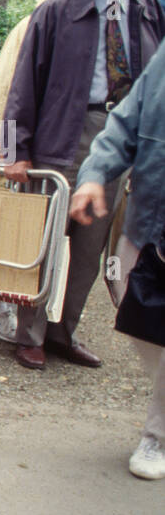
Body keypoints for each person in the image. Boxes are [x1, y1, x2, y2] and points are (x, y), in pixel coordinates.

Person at [4, 0, 163, 370]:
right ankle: (28, 334)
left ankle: (62, 333)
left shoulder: (151, 11)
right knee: (47, 240)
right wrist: (17, 150)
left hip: (122, 142)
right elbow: (24, 84)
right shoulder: (57, 10)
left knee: (92, 248)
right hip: (62, 135)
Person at [0, 0, 95, 342]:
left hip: (80, 147)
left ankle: (59, 329)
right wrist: (2, 145)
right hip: (36, 148)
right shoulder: (34, 21)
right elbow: (7, 88)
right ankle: (5, 318)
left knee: (73, 244)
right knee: (21, 231)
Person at [70, 45, 165, 479]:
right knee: (140, 320)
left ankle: (157, 434)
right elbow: (126, 121)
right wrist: (93, 176)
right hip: (150, 221)